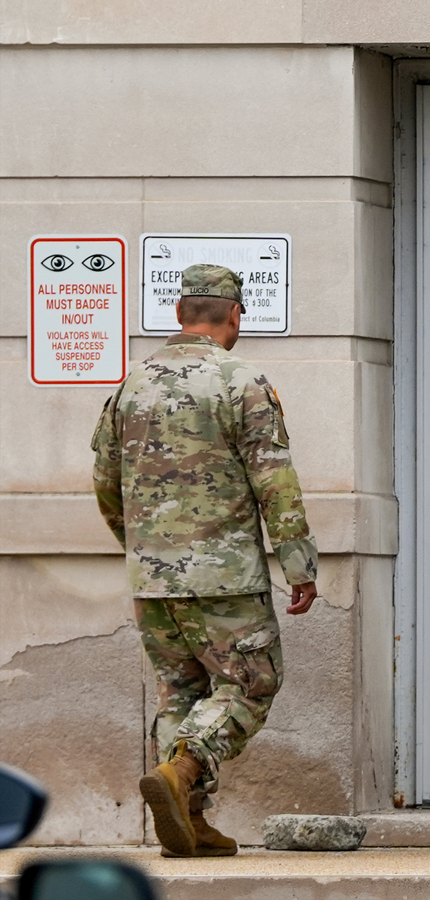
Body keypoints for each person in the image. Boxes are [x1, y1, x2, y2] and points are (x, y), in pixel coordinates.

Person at [91, 263, 319, 858]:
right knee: (252, 681)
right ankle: (185, 769)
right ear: (235, 315)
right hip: (225, 575)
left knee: (179, 691)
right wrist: (299, 565)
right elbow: (276, 482)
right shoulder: (242, 381)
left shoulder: (131, 383)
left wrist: (139, 546)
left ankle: (189, 823)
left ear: (178, 315)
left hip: (151, 575)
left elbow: (104, 479)